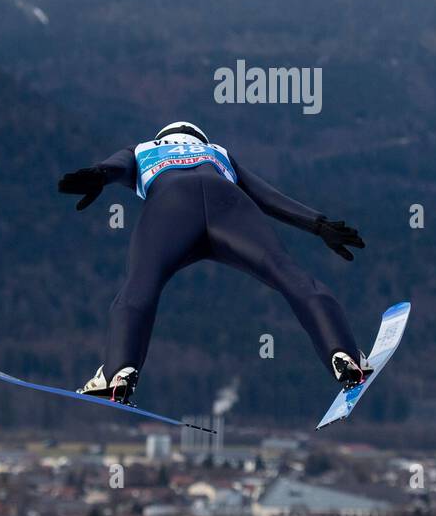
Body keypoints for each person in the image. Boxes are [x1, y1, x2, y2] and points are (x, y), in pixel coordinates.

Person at [58, 121, 371, 404]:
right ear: (200, 138)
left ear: (163, 137)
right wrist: (318, 224)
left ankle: (119, 373)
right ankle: (342, 352)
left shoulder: (142, 149)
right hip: (230, 205)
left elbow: (116, 167)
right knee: (290, 276)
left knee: (140, 287)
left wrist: (99, 174)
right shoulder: (217, 152)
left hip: (171, 208)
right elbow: (267, 196)